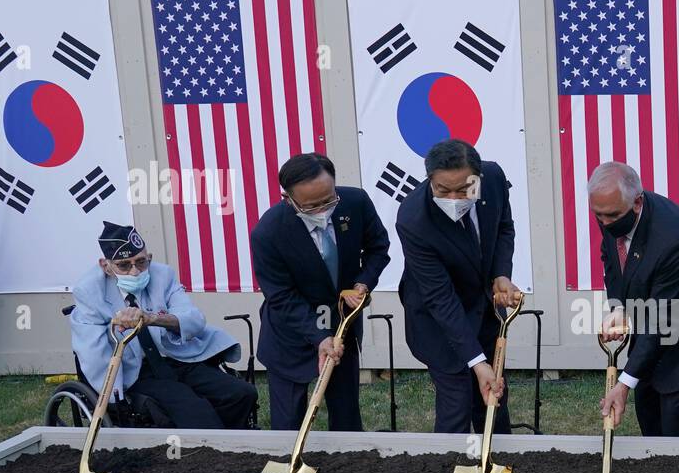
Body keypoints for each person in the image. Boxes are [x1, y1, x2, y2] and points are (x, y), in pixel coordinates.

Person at [250, 153, 390, 432]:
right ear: (287, 199)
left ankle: (351, 464)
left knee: (346, 411)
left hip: (341, 326)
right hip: (290, 332)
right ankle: (289, 460)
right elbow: (281, 296)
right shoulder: (268, 233)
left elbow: (378, 247)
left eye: (329, 200)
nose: (324, 210)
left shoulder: (356, 202)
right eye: (312, 207)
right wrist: (318, 337)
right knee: (289, 419)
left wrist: (362, 283)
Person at [592, 162, 679, 437]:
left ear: (637, 202)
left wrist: (622, 385)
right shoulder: (612, 212)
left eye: (611, 216)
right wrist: (619, 308)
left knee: (676, 409)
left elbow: (660, 320)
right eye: (599, 216)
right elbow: (611, 259)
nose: (605, 224)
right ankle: (656, 470)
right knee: (647, 401)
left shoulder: (674, 239)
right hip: (655, 314)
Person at [70, 222, 255, 428]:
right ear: (106, 266)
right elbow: (92, 352)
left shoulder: (162, 275)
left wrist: (152, 319)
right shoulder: (88, 292)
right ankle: (213, 446)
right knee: (194, 408)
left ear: (149, 258)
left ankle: (228, 442)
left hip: (174, 357)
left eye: (141, 262)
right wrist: (115, 396)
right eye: (124, 265)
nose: (135, 272)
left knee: (242, 393)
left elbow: (193, 319)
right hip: (135, 370)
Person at [396, 139, 522, 434]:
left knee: (494, 394)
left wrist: (501, 274)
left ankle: (500, 462)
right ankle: (448, 470)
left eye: (465, 189)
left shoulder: (493, 179)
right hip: (437, 319)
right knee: (457, 398)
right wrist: (477, 362)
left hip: (483, 308)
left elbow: (504, 227)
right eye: (443, 189)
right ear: (430, 180)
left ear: (477, 178)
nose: (454, 197)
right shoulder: (414, 220)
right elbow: (440, 298)